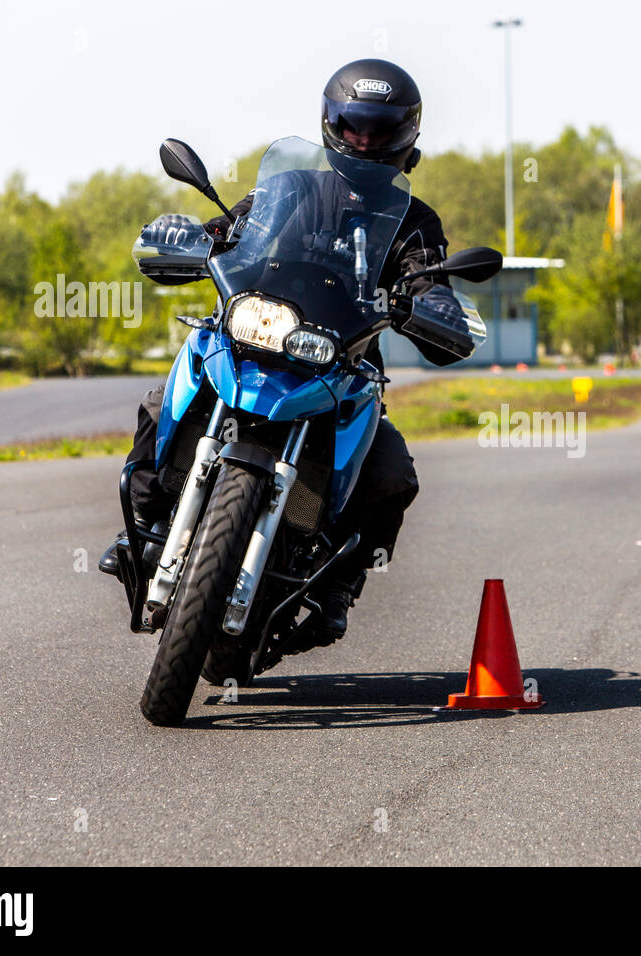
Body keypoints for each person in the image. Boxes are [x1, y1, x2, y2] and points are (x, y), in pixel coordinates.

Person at [102, 58, 474, 648]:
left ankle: (338, 584)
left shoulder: (414, 222)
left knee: (392, 470)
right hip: (256, 338)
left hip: (341, 367)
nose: (364, 140)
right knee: (161, 402)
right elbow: (235, 232)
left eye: (379, 131)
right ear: (331, 124)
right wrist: (200, 240)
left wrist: (432, 307)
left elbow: (428, 280)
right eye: (353, 126)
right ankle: (143, 528)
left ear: (406, 136)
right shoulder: (290, 187)